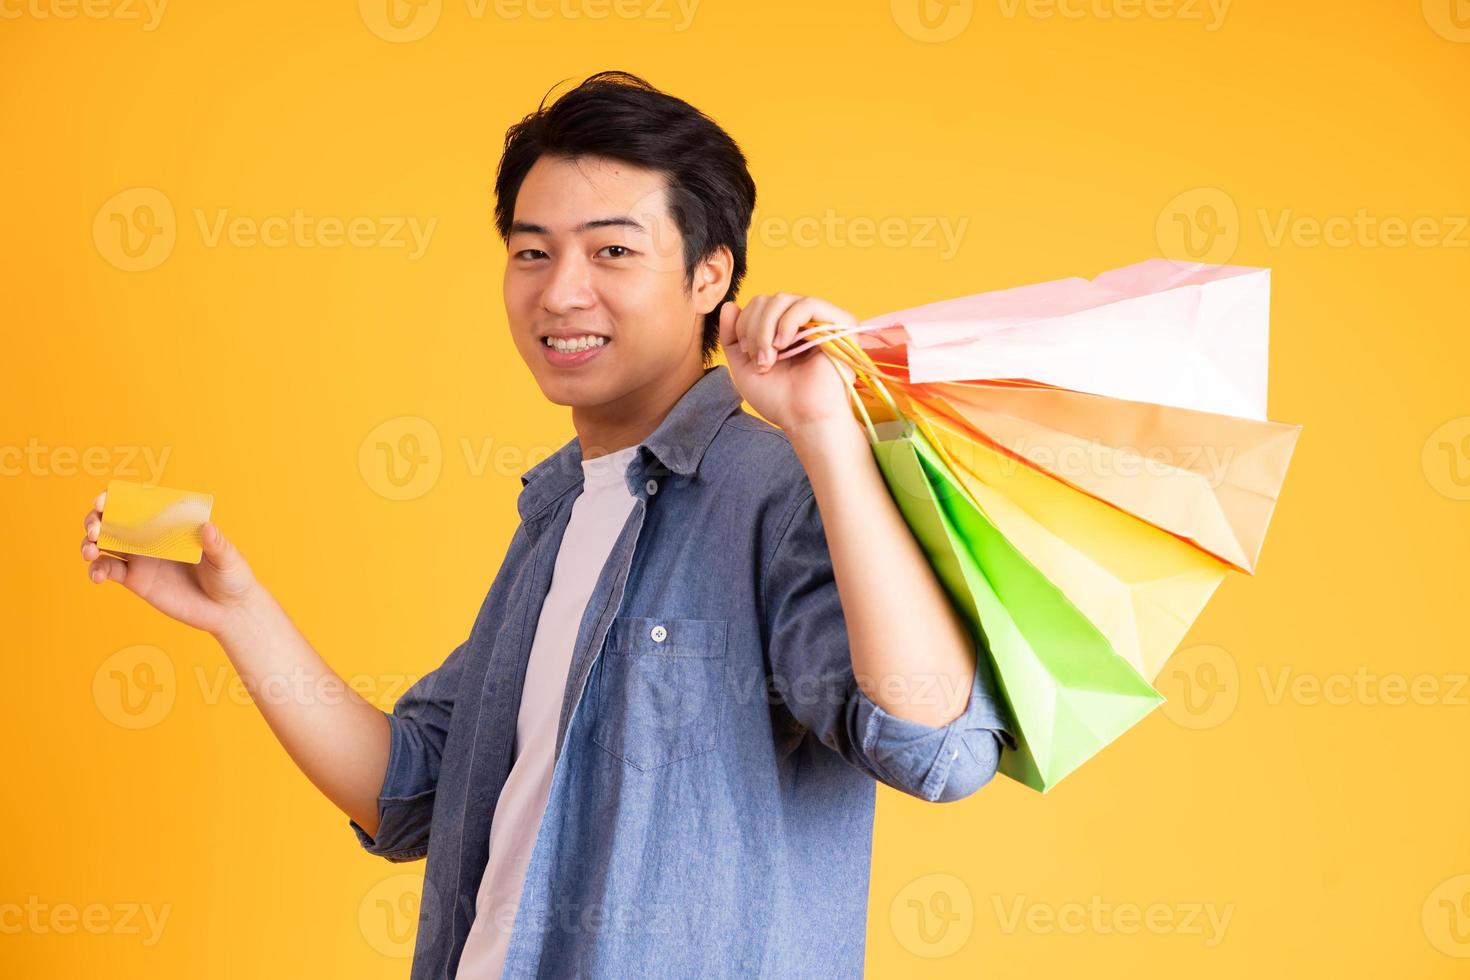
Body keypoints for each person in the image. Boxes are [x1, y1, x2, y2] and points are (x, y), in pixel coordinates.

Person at [78, 70, 1014, 979]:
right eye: (532, 251)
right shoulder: (560, 509)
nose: (560, 291)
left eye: (612, 251)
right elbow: (410, 790)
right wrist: (239, 614)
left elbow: (935, 746)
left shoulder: (776, 488)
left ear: (708, 275)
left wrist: (824, 433)